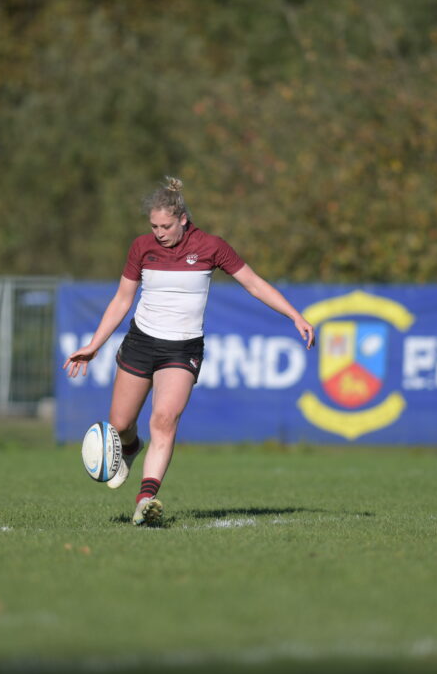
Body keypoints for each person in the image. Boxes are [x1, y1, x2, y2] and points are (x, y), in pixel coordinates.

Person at [63, 177, 316, 526]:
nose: (159, 232)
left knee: (164, 421)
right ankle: (132, 447)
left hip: (182, 349)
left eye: (165, 225)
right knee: (120, 426)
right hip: (140, 342)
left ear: (183, 218)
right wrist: (93, 346)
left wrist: (295, 315)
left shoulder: (212, 246)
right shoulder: (141, 248)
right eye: (153, 226)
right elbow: (123, 299)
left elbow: (254, 284)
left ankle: (145, 500)